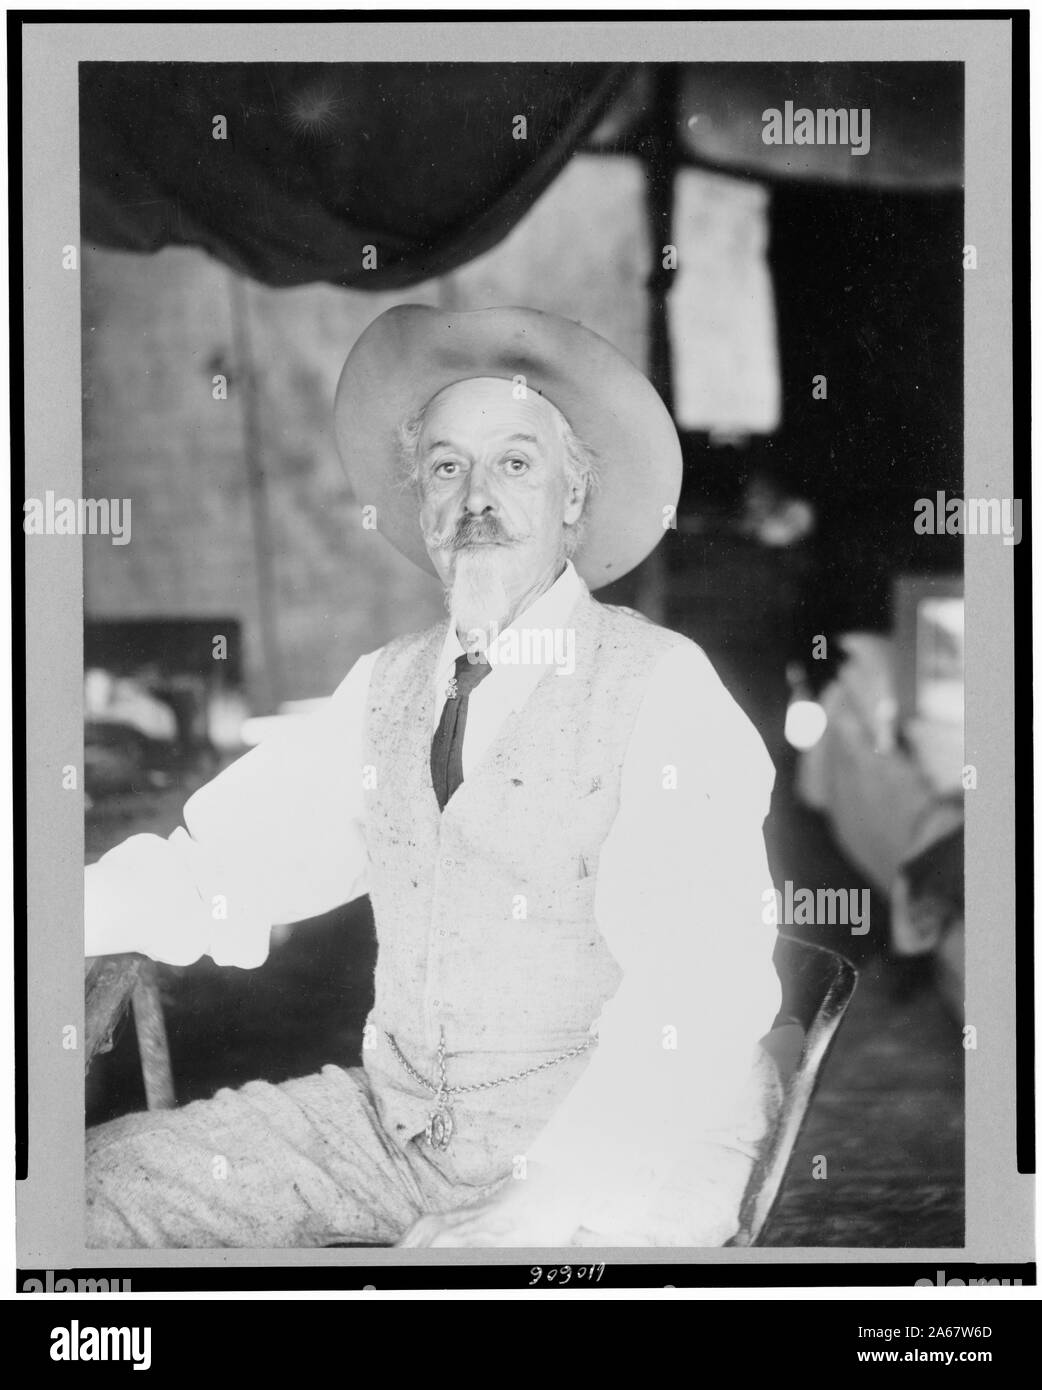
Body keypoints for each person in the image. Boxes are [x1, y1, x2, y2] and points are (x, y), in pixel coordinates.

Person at [85, 304, 783, 1249]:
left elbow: (697, 999)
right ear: (420, 503)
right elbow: (223, 871)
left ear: (574, 500)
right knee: (97, 1189)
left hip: (632, 1143)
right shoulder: (387, 687)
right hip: (401, 1130)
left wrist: (538, 1210)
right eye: (448, 466)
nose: (476, 497)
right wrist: (53, 916)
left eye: (517, 464)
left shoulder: (662, 688)